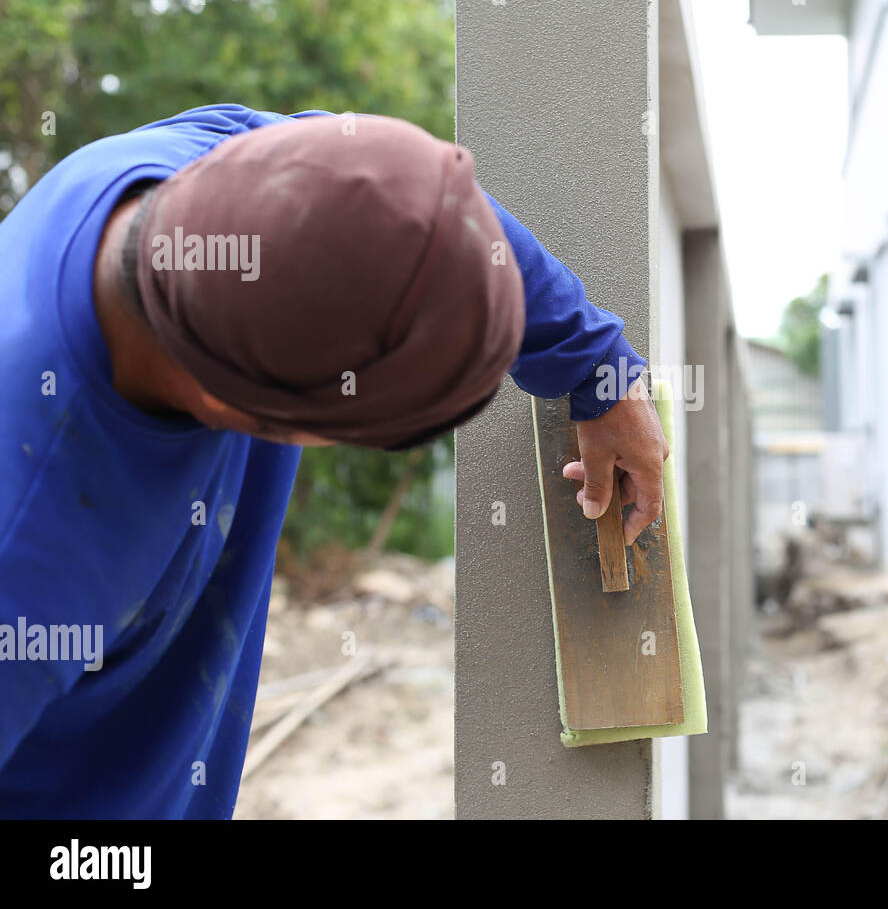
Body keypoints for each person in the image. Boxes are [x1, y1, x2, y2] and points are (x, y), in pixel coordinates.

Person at [0, 104, 667, 817]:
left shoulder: (204, 170)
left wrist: (597, 367)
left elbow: (397, 205)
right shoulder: (28, 548)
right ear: (240, 412)